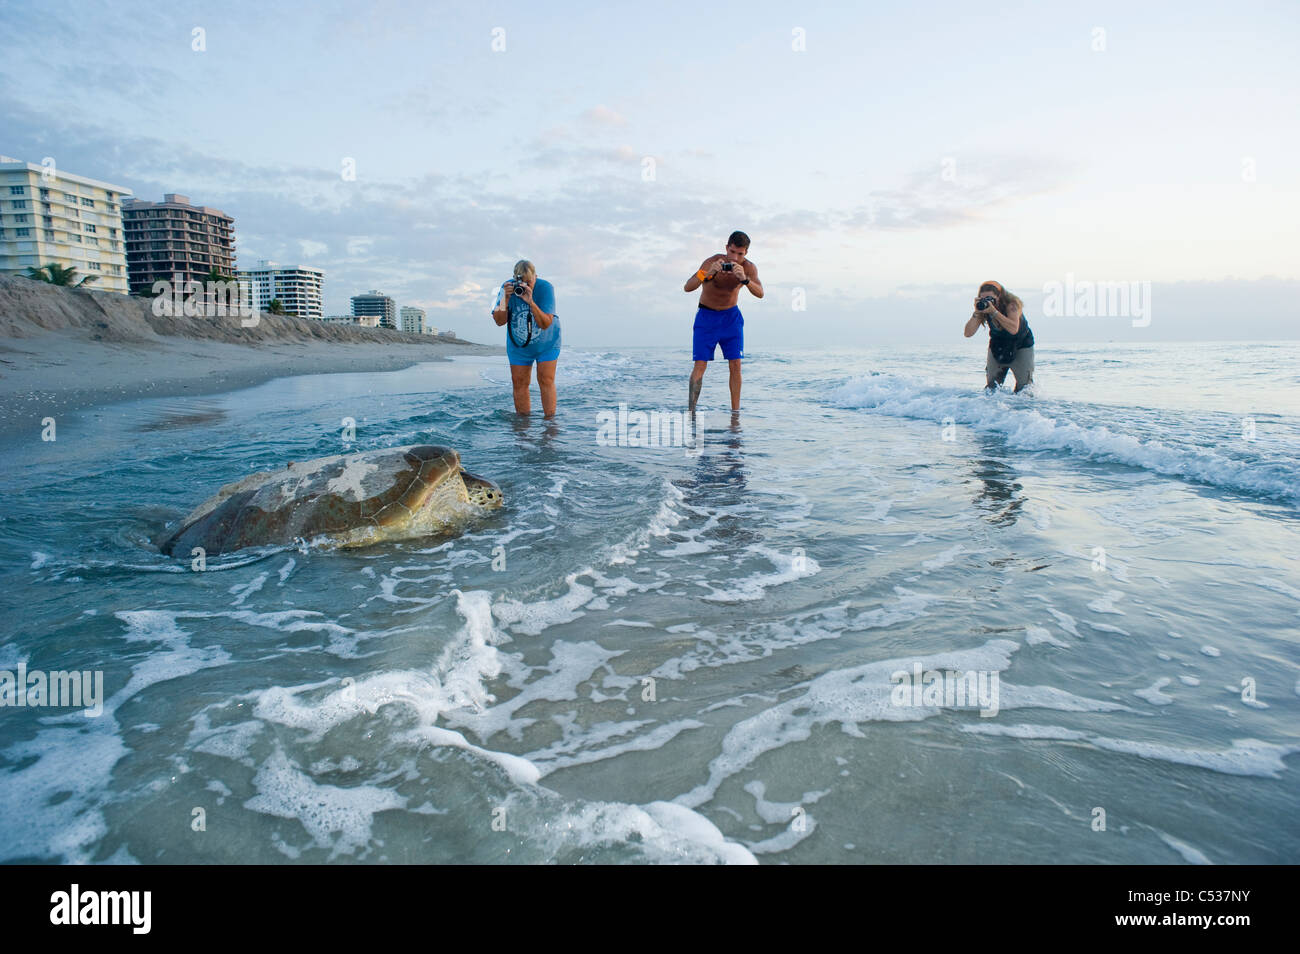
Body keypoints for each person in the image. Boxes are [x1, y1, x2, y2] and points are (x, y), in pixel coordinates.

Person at [683, 230, 763, 413]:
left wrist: (745, 279)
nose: (735, 258)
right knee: (700, 364)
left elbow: (760, 293)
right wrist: (707, 274)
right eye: (732, 252)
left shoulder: (749, 268)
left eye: (740, 254)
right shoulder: (712, 261)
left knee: (736, 365)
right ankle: (691, 412)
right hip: (706, 317)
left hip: (731, 319)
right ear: (727, 248)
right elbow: (688, 287)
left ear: (746, 253)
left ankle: (735, 415)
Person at [491, 259, 560, 417]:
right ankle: (523, 425)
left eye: (530, 282)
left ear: (536, 276)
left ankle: (549, 425)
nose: (527, 286)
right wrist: (505, 299)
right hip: (519, 345)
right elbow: (499, 321)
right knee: (519, 382)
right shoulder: (506, 288)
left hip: (548, 342)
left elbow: (545, 323)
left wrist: (531, 302)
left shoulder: (545, 288)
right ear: (515, 279)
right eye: (523, 282)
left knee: (546, 380)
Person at [964, 280, 1034, 392]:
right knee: (992, 388)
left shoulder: (1012, 305)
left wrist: (994, 312)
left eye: (990, 298)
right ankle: (994, 409)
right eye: (983, 299)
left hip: (1021, 344)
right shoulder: (983, 309)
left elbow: (1013, 329)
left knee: (1025, 389)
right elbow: (968, 333)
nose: (988, 302)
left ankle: (1022, 409)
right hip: (998, 345)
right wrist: (977, 312)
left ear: (999, 296)